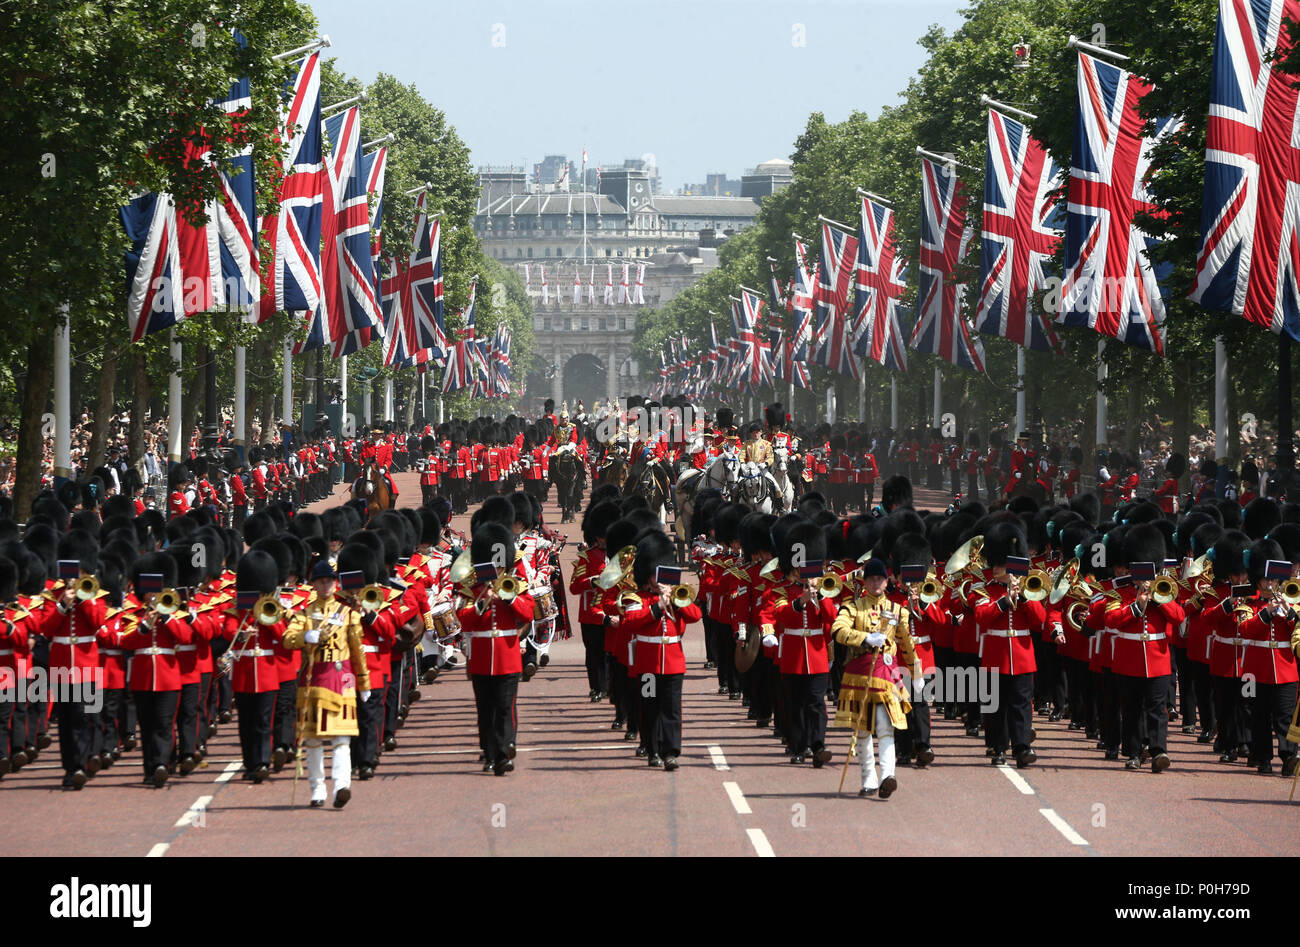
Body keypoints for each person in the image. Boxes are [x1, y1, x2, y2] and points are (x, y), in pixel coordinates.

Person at [282, 561, 370, 808]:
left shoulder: (348, 614)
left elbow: (357, 650)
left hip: (341, 678)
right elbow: (288, 639)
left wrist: (364, 682)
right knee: (313, 740)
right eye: (321, 581)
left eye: (330, 581)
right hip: (314, 677)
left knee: (342, 738)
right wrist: (304, 637)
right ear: (314, 584)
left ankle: (342, 786)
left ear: (335, 583)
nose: (326, 585)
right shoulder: (304, 614)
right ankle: (317, 788)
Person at [832, 557, 917, 798]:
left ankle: (888, 775)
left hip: (886, 673)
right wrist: (864, 638)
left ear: (886, 581)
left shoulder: (898, 610)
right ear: (865, 582)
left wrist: (915, 669)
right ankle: (868, 778)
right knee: (862, 729)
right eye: (871, 579)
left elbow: (906, 643)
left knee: (884, 724)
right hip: (859, 673)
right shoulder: (852, 607)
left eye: (879, 578)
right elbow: (837, 630)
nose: (875, 583)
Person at [456, 523, 534, 776]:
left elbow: (528, 612)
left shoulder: (515, 585)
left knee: (504, 706)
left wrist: (508, 598)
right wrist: (483, 600)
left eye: (500, 565)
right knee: (485, 709)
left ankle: (503, 753)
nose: (496, 570)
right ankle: (489, 753)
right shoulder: (471, 590)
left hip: (508, 657)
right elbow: (464, 619)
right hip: (481, 658)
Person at [620, 531, 700, 770]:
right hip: (647, 663)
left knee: (672, 710)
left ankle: (671, 752)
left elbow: (695, 615)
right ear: (648, 575)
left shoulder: (677, 595)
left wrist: (675, 600)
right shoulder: (637, 597)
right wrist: (657, 607)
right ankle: (652, 750)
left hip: (673, 662)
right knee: (649, 708)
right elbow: (630, 622)